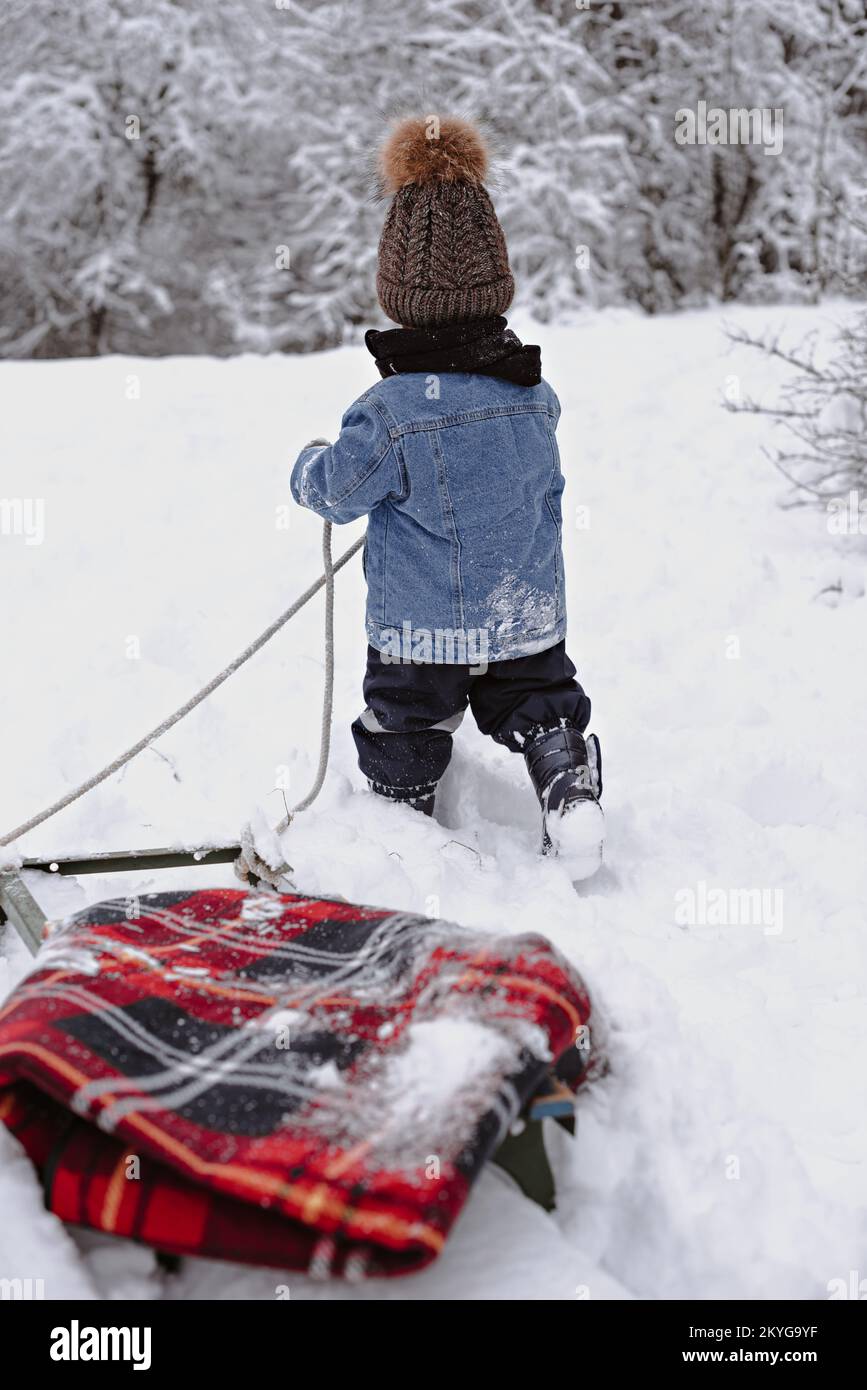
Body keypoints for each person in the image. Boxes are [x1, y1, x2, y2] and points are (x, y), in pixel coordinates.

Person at [291, 114, 603, 878]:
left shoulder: (391, 412)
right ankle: (565, 777)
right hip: (523, 603)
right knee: (538, 699)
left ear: (398, 296)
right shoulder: (534, 395)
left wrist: (308, 467)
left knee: (406, 716)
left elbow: (339, 492)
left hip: (420, 621)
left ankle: (403, 821)